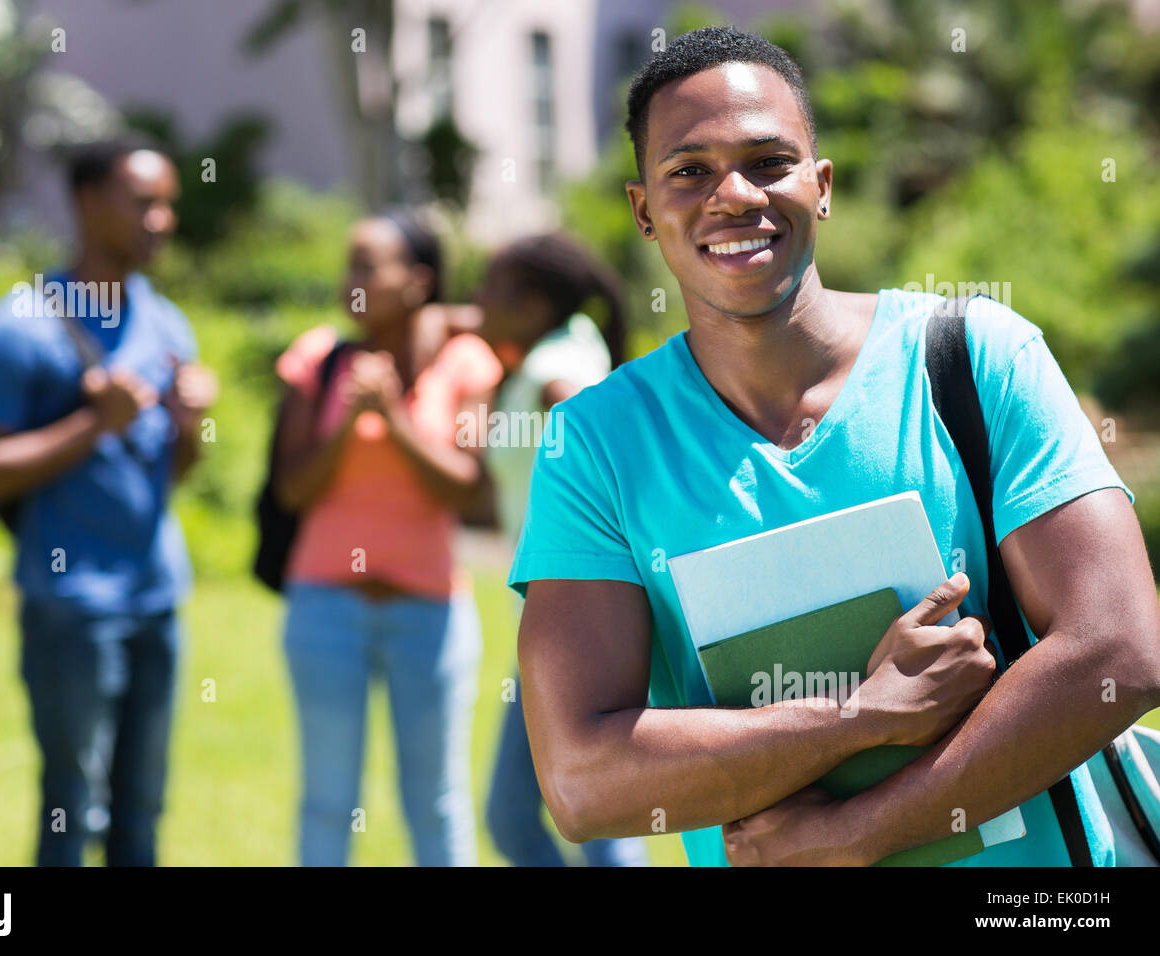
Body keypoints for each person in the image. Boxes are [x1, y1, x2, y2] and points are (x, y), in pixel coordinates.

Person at [510, 25, 1160, 866]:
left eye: (768, 161)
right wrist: (863, 714)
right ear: (644, 209)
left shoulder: (973, 357)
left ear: (821, 186)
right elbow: (583, 783)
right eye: (689, 170)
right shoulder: (597, 444)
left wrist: (853, 835)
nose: (734, 194)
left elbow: (1119, 648)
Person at [0, 137, 217, 866]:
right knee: (73, 810)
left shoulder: (165, 322)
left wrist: (191, 426)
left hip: (157, 596)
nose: (162, 219)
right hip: (70, 605)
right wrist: (88, 425)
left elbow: (165, 473)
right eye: (144, 203)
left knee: (142, 811)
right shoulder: (23, 326)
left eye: (169, 202)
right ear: (86, 202)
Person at [272, 210, 502, 866]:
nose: (352, 281)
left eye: (368, 267)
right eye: (350, 265)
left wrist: (393, 420)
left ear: (417, 280)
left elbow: (467, 490)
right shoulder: (318, 359)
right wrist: (348, 423)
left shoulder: (464, 362)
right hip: (325, 609)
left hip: (427, 611)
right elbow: (293, 490)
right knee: (326, 800)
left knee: (434, 801)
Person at [476, 233, 647, 866]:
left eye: (486, 291)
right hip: (569, 626)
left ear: (529, 304)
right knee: (544, 813)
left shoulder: (556, 374)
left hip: (580, 631)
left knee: (563, 814)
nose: (474, 303)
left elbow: (605, 465)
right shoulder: (561, 349)